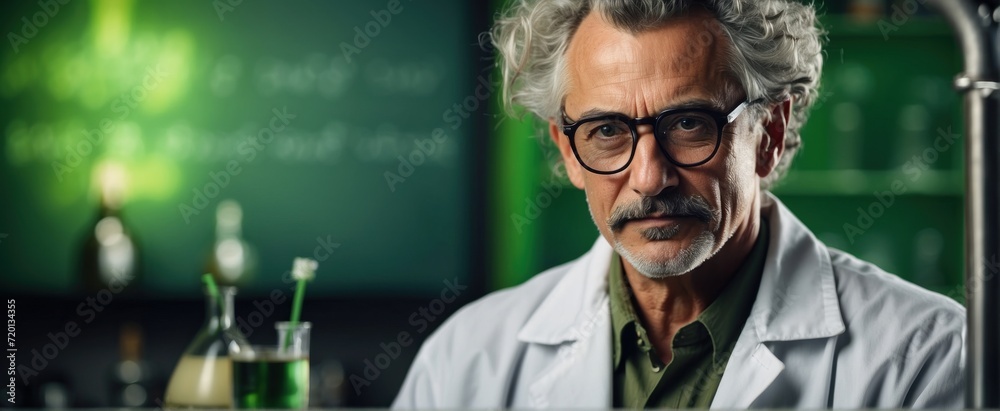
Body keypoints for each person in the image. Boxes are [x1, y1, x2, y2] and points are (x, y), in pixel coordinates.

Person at [393, 0, 966, 408]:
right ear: (567, 151)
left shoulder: (925, 359)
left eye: (689, 123)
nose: (649, 178)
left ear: (767, 132)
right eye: (607, 131)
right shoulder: (464, 361)